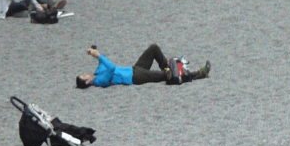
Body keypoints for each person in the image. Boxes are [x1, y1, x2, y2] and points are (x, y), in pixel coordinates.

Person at [75, 44, 209, 88]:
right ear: (87, 81)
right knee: (166, 76)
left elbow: (102, 63)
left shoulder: (97, 73)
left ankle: (169, 69)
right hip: (136, 77)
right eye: (84, 76)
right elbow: (111, 68)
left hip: (135, 69)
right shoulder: (100, 81)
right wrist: (98, 55)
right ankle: (198, 74)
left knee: (153, 48)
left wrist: (93, 50)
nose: (86, 73)